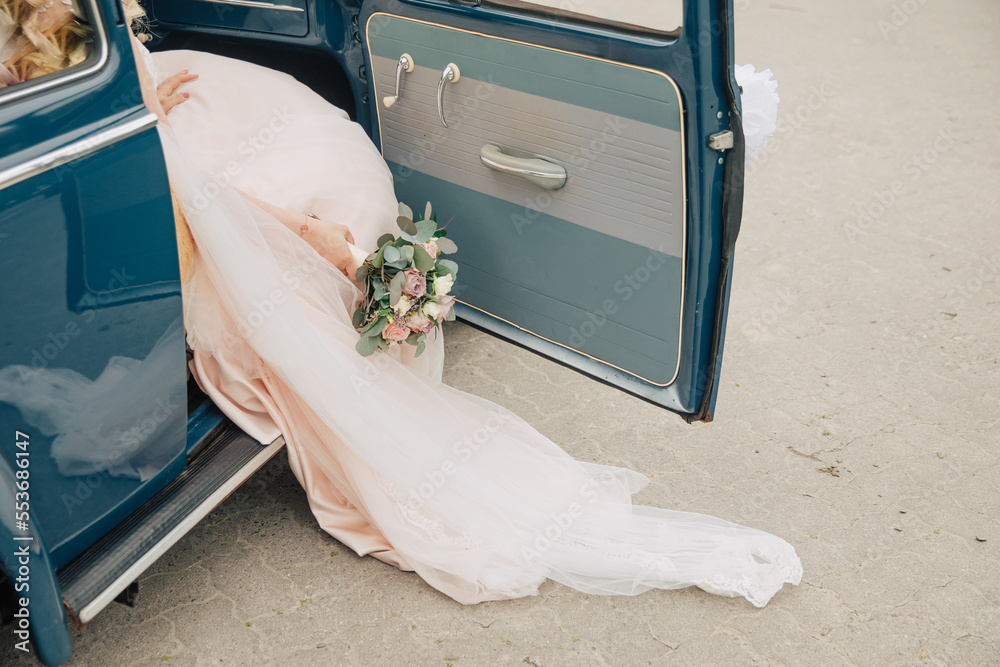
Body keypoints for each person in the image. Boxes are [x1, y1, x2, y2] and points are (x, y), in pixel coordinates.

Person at [11, 1, 804, 607]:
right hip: (158, 113)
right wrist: (304, 232)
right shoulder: (36, 50)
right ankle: (348, 269)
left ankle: (354, 266)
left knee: (314, 178)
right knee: (259, 250)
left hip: (177, 95)